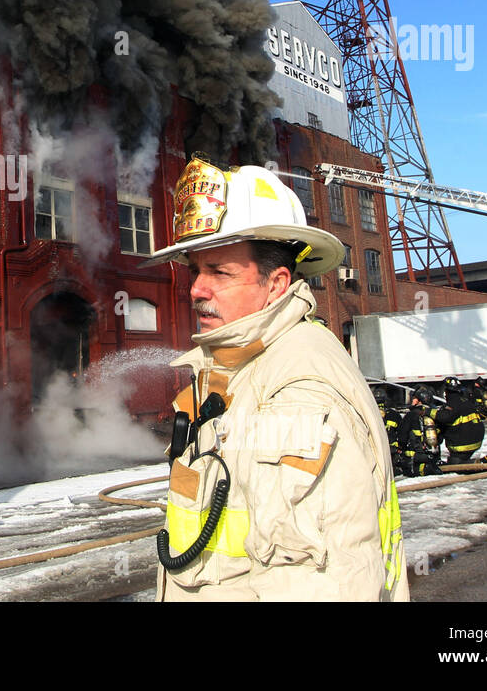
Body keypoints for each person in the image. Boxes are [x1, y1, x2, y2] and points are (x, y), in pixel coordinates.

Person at [146, 156, 407, 601]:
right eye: (196, 271)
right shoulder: (241, 365)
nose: (196, 290)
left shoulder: (295, 392)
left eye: (220, 273)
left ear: (277, 283)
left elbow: (315, 582)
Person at [432, 378, 485, 464]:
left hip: (463, 445)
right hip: (476, 440)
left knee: (454, 463)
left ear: (446, 391)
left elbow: (444, 417)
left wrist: (428, 411)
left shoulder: (452, 403)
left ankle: (476, 464)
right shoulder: (465, 401)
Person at [399, 386, 443, 477]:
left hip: (417, 456)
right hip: (434, 455)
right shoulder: (433, 414)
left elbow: (402, 437)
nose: (412, 400)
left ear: (419, 401)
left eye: (414, 398)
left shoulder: (410, 415)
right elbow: (440, 438)